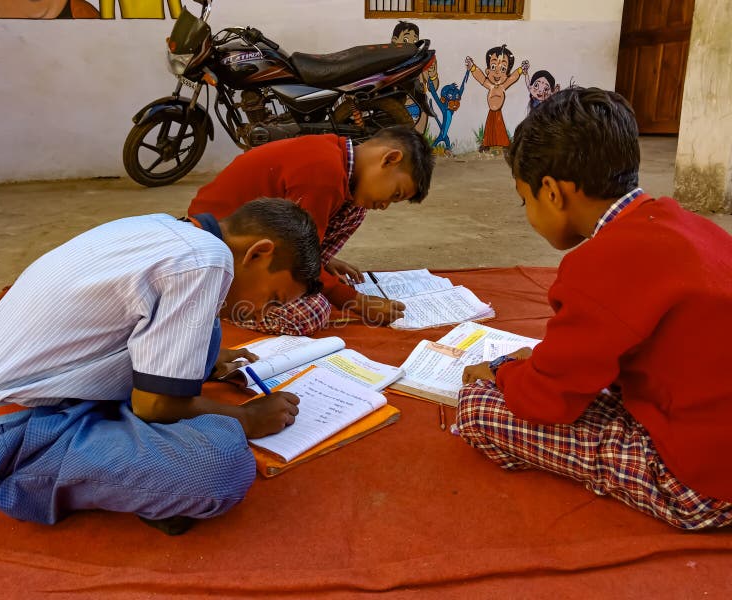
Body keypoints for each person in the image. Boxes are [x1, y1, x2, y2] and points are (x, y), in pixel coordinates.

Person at [456, 87, 732, 529]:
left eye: (523, 200)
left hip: (706, 483)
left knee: (476, 407)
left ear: (551, 192)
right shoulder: (689, 225)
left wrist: (502, 372)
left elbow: (547, 402)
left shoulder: (596, 265)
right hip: (711, 426)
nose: (528, 211)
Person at [0, 199, 322, 536]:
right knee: (221, 466)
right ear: (259, 253)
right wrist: (246, 419)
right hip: (14, 442)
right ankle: (140, 485)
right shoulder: (208, 261)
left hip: (50, 400)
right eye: (272, 299)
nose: (260, 313)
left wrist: (207, 357)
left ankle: (133, 458)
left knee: (208, 329)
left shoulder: (170, 230)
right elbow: (155, 406)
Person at [187, 126, 435, 335]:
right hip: (214, 251)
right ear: (390, 159)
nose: (384, 206)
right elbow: (293, 245)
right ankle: (223, 306)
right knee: (313, 311)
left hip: (245, 241)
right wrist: (355, 301)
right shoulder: (324, 173)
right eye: (395, 194)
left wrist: (326, 262)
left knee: (356, 209)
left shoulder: (333, 158)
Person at [465, 45, 526, 151]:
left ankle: (504, 144)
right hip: (491, 111)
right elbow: (480, 76)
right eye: (493, 67)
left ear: (507, 74)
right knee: (489, 127)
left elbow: (513, 77)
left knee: (499, 126)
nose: (497, 72)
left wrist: (521, 69)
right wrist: (472, 67)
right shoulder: (488, 84)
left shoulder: (503, 85)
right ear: (487, 71)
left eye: (503, 68)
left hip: (497, 111)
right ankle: (487, 144)